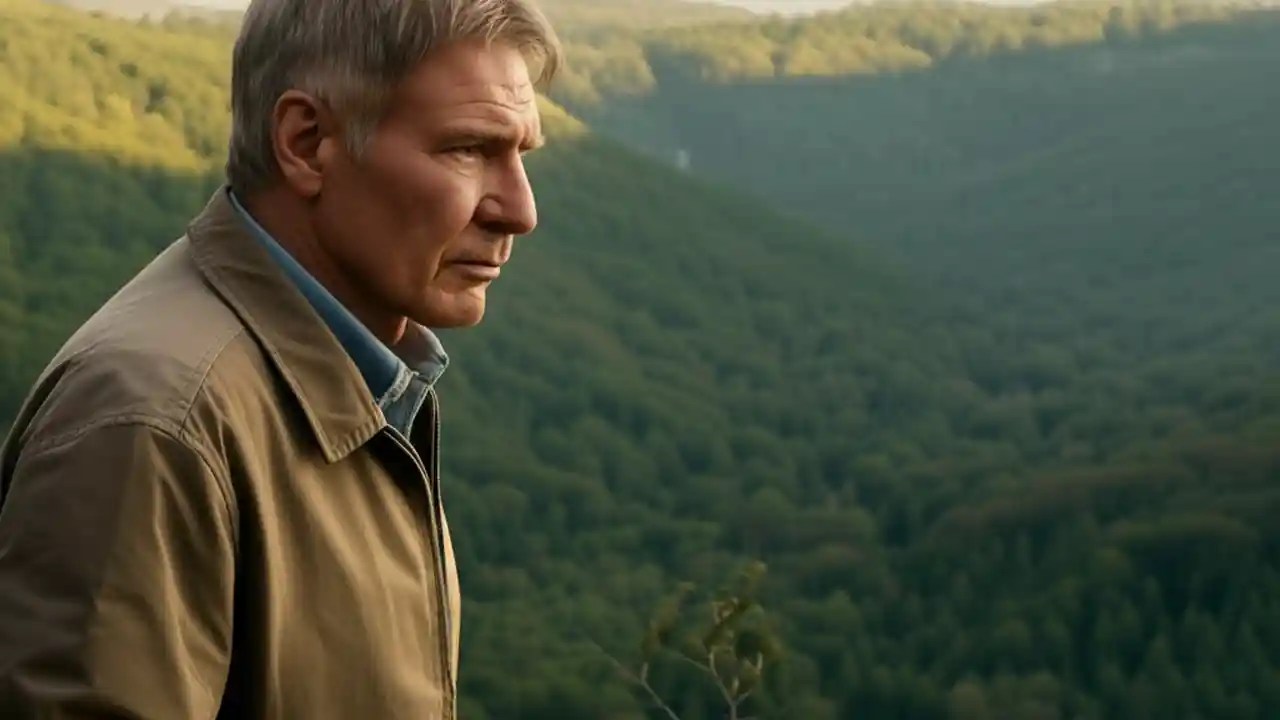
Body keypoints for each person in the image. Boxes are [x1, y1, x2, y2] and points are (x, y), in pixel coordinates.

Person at [0, 0, 560, 717]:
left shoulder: (367, 377)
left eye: (523, 154)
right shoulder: (154, 423)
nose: (520, 208)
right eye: (468, 149)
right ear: (306, 143)